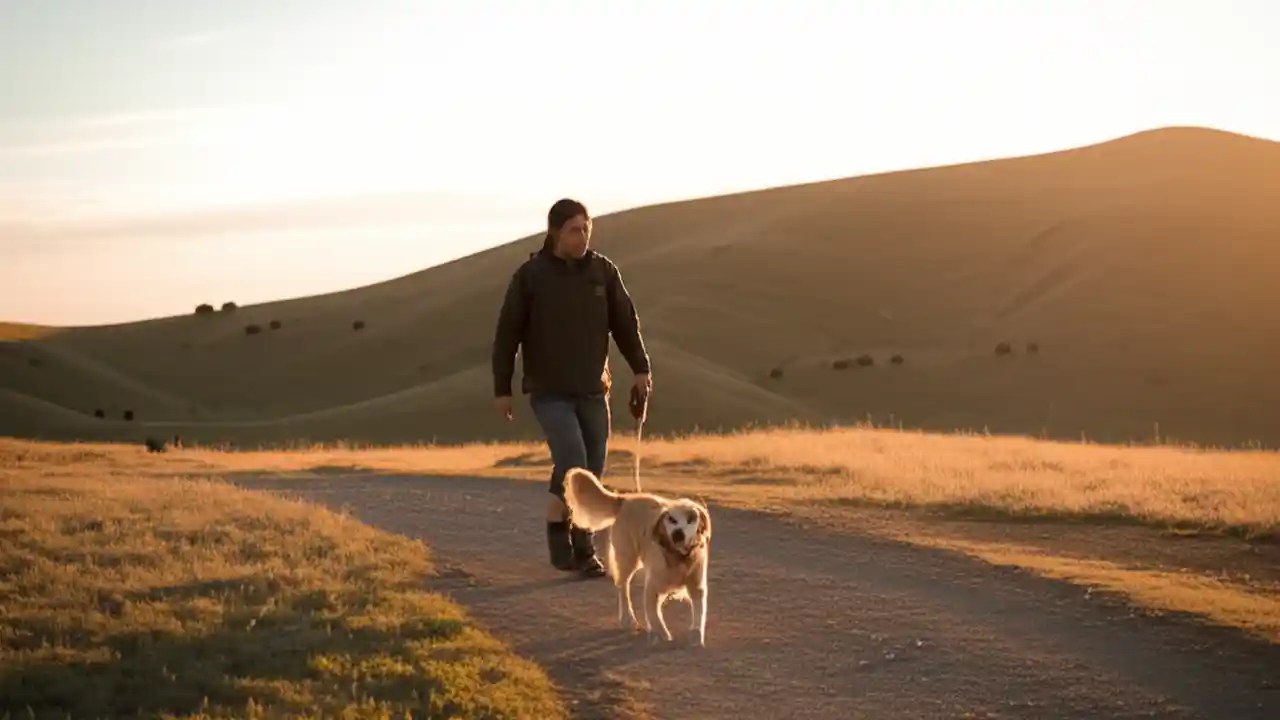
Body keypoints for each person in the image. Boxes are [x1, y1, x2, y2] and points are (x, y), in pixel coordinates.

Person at [491, 198, 652, 578]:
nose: (582, 237)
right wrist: (502, 388)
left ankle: (582, 550)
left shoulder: (602, 272)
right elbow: (506, 336)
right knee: (573, 458)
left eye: (586, 229)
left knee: (591, 472)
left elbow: (626, 324)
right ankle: (561, 538)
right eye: (574, 230)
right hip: (550, 391)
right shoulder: (531, 277)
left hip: (594, 389)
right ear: (555, 233)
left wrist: (641, 368)